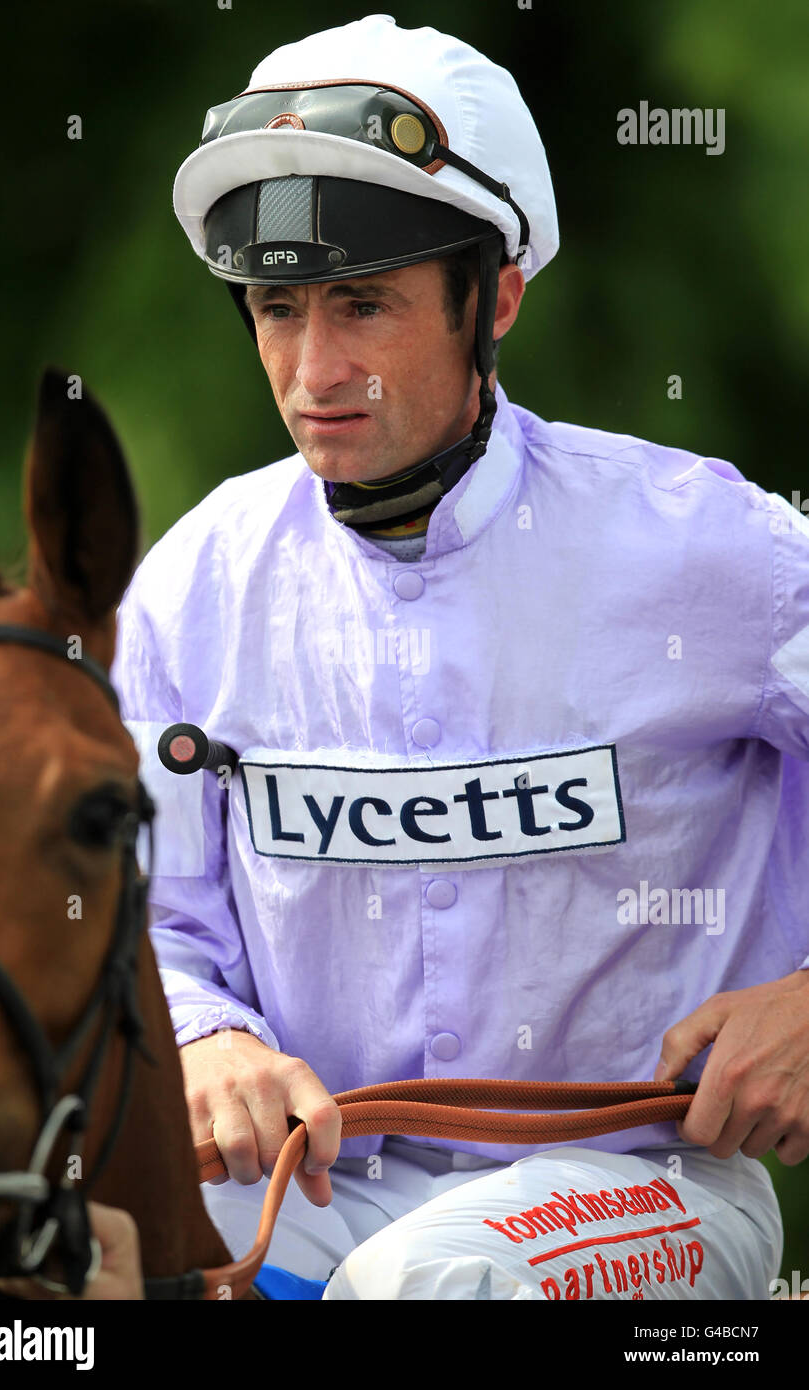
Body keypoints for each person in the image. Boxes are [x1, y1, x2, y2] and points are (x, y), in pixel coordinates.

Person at [111, 14, 809, 1299]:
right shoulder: (194, 584)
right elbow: (146, 910)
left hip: (648, 1182)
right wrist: (202, 1035)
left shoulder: (717, 546)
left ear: (494, 296)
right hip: (315, 1190)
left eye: (362, 303)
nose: (313, 370)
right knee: (60, 1249)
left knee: (426, 1281)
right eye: (277, 309)